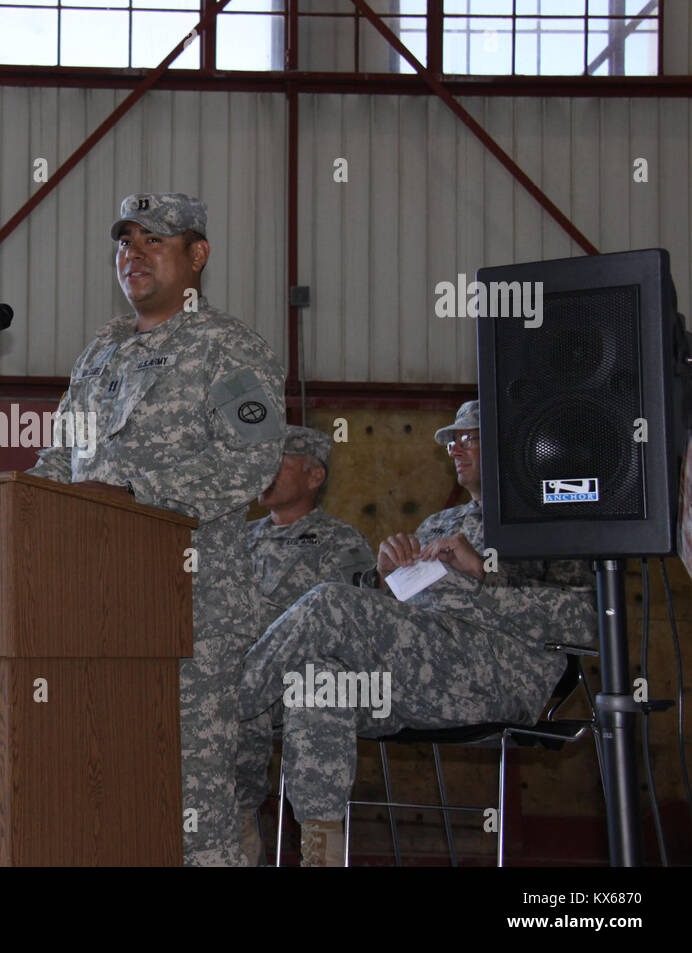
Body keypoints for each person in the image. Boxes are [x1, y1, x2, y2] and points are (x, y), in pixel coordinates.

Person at [29, 192, 285, 866]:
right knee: (102, 782)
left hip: (190, 607)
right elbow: (61, 458)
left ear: (197, 256)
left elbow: (252, 463)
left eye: (154, 242)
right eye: (125, 241)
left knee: (191, 795)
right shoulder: (101, 351)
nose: (132, 254)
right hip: (90, 603)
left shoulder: (228, 346)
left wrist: (132, 493)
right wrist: (26, 510)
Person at [236, 401, 597, 865]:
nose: (455, 447)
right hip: (425, 672)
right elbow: (409, 614)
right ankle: (321, 853)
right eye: (452, 439)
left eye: (470, 437)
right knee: (317, 682)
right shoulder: (440, 524)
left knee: (329, 601)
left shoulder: (553, 519)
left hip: (500, 673)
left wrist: (485, 578)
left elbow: (588, 622)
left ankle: (229, 708)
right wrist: (386, 581)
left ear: (513, 446)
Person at [234, 425, 373, 864]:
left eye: (278, 463)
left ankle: (321, 851)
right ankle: (233, 843)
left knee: (322, 688)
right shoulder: (239, 540)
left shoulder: (342, 542)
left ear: (314, 477)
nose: (263, 472)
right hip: (249, 685)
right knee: (220, 699)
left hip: (306, 684)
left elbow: (355, 628)